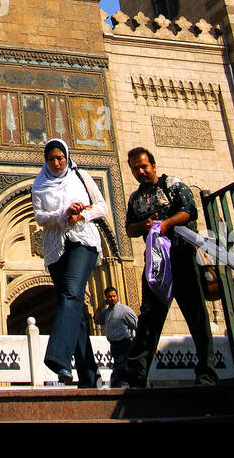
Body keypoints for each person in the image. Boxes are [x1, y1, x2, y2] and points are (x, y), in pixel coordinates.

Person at [123, 146, 219, 387]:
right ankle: (137, 374)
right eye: (136, 168)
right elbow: (129, 228)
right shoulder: (136, 198)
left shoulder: (172, 185)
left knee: (195, 314)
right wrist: (145, 224)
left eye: (144, 166)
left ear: (153, 166)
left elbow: (190, 211)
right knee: (149, 317)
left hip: (182, 255)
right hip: (157, 262)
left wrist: (165, 224)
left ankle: (207, 372)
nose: (141, 171)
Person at [31, 137, 108, 387]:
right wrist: (64, 214)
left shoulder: (81, 176)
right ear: (46, 160)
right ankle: (88, 376)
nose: (56, 162)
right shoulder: (39, 184)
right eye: (52, 158)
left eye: (60, 158)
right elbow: (41, 218)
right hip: (55, 248)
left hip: (82, 240)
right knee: (75, 311)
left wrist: (81, 213)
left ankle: (59, 358)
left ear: (67, 157)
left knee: (71, 294)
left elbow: (102, 207)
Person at [94, 286, 137, 388]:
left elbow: (136, 324)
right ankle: (123, 385)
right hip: (114, 345)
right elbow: (97, 320)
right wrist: (100, 307)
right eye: (109, 297)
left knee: (120, 367)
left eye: (114, 296)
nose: (112, 298)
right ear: (106, 298)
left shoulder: (125, 310)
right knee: (120, 366)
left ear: (117, 296)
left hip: (124, 343)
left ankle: (118, 387)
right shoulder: (107, 312)